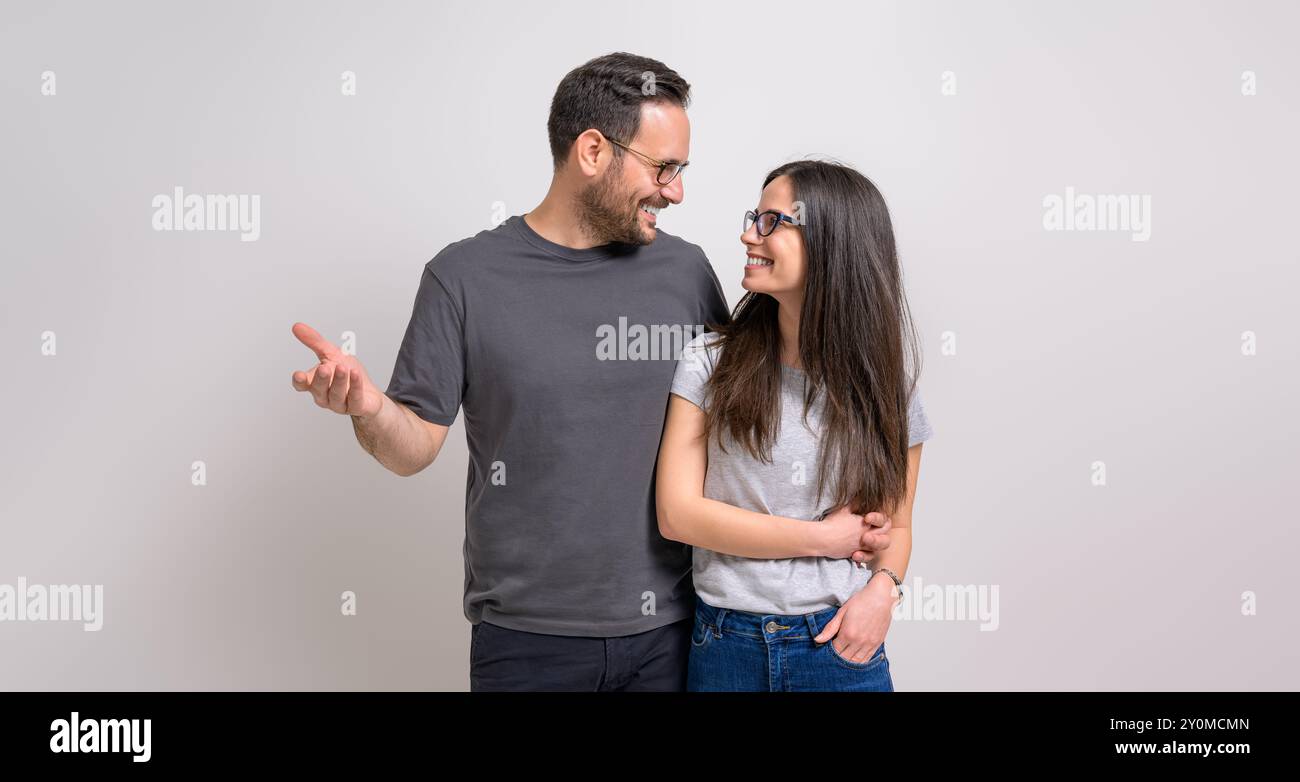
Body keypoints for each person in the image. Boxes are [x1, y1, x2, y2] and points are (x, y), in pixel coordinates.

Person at [287, 53, 893, 691]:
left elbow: (751, 430)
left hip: (679, 635)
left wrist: (875, 570)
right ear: (594, 151)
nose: (677, 191)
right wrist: (369, 408)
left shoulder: (684, 272)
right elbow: (412, 449)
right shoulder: (462, 278)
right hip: (524, 642)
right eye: (664, 168)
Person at [655, 159, 933, 691]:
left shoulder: (887, 386)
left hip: (838, 645)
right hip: (723, 646)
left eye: (771, 222)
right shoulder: (708, 361)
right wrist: (825, 539)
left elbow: (895, 527)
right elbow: (677, 514)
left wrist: (883, 593)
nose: (747, 235)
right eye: (752, 218)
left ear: (832, 243)